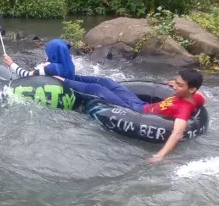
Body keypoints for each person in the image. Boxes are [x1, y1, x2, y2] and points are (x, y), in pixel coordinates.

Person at [58, 69, 206, 164]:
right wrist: (177, 84)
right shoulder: (194, 96)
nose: (175, 86)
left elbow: (178, 132)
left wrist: (160, 156)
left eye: (180, 85)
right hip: (140, 104)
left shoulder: (184, 108)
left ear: (191, 89)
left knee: (97, 89)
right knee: (107, 82)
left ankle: (61, 80)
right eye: (176, 83)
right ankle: (71, 76)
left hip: (135, 111)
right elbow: (202, 97)